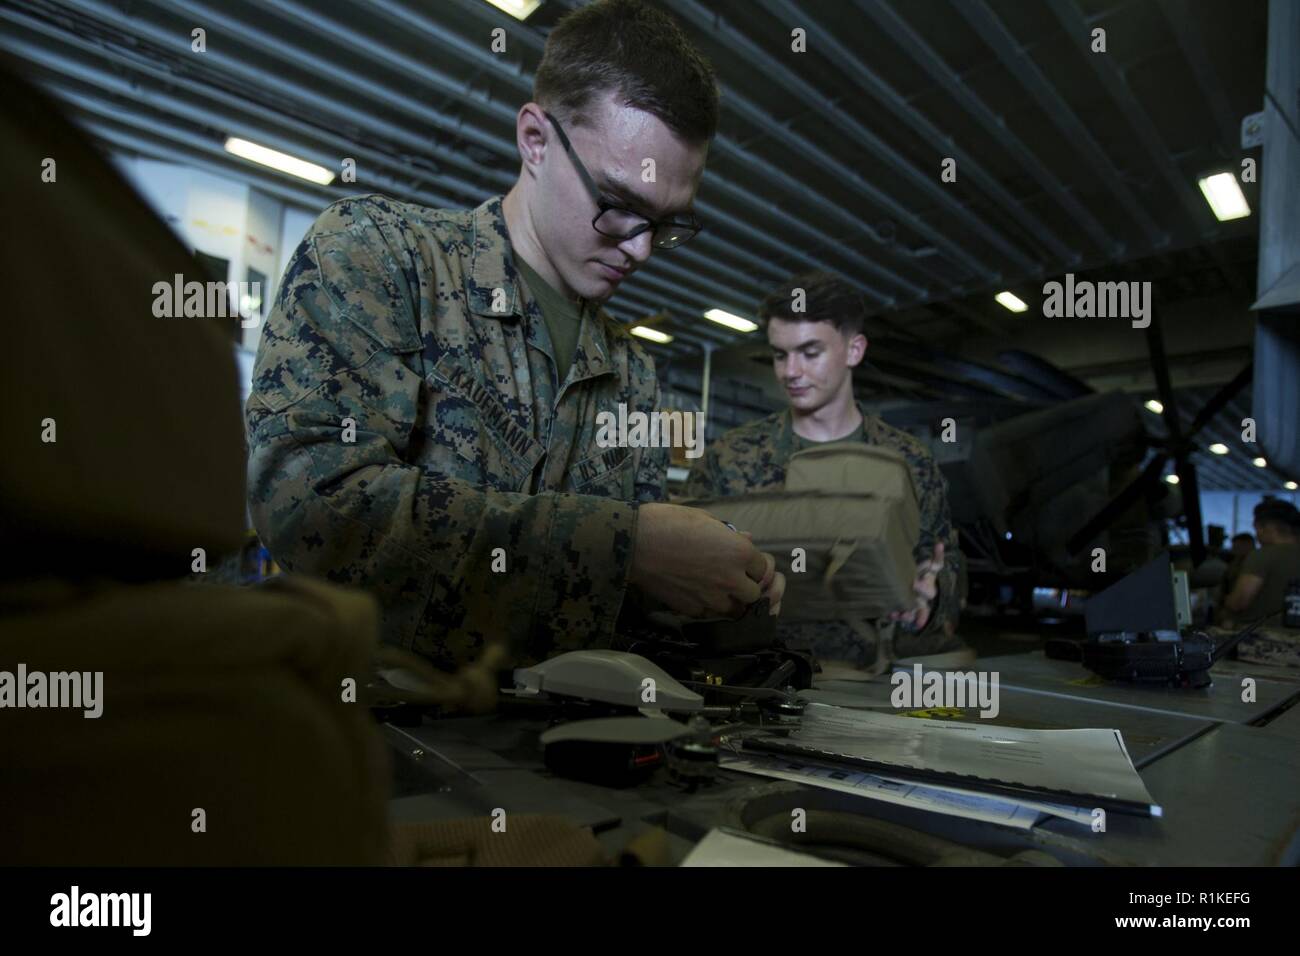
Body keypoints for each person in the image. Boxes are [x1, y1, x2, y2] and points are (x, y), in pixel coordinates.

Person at [245, 0, 783, 670]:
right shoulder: (381, 258)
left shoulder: (634, 374)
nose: (642, 250)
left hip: (547, 752)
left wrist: (715, 576)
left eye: (668, 224)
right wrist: (624, 546)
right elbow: (310, 512)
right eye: (619, 207)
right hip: (362, 733)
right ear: (535, 140)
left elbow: (626, 594)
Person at [684, 271, 964, 671]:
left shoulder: (908, 462)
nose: (790, 372)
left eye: (810, 352)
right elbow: (689, 569)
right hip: (752, 678)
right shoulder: (728, 458)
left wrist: (931, 595)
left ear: (854, 350)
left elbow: (942, 564)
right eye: (780, 354)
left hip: (865, 679)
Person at [1223, 500, 1300, 625]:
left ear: (1267, 528)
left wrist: (1225, 600)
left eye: (1257, 529)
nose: (1257, 536)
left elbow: (1239, 602)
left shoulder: (1263, 555)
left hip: (1262, 636)